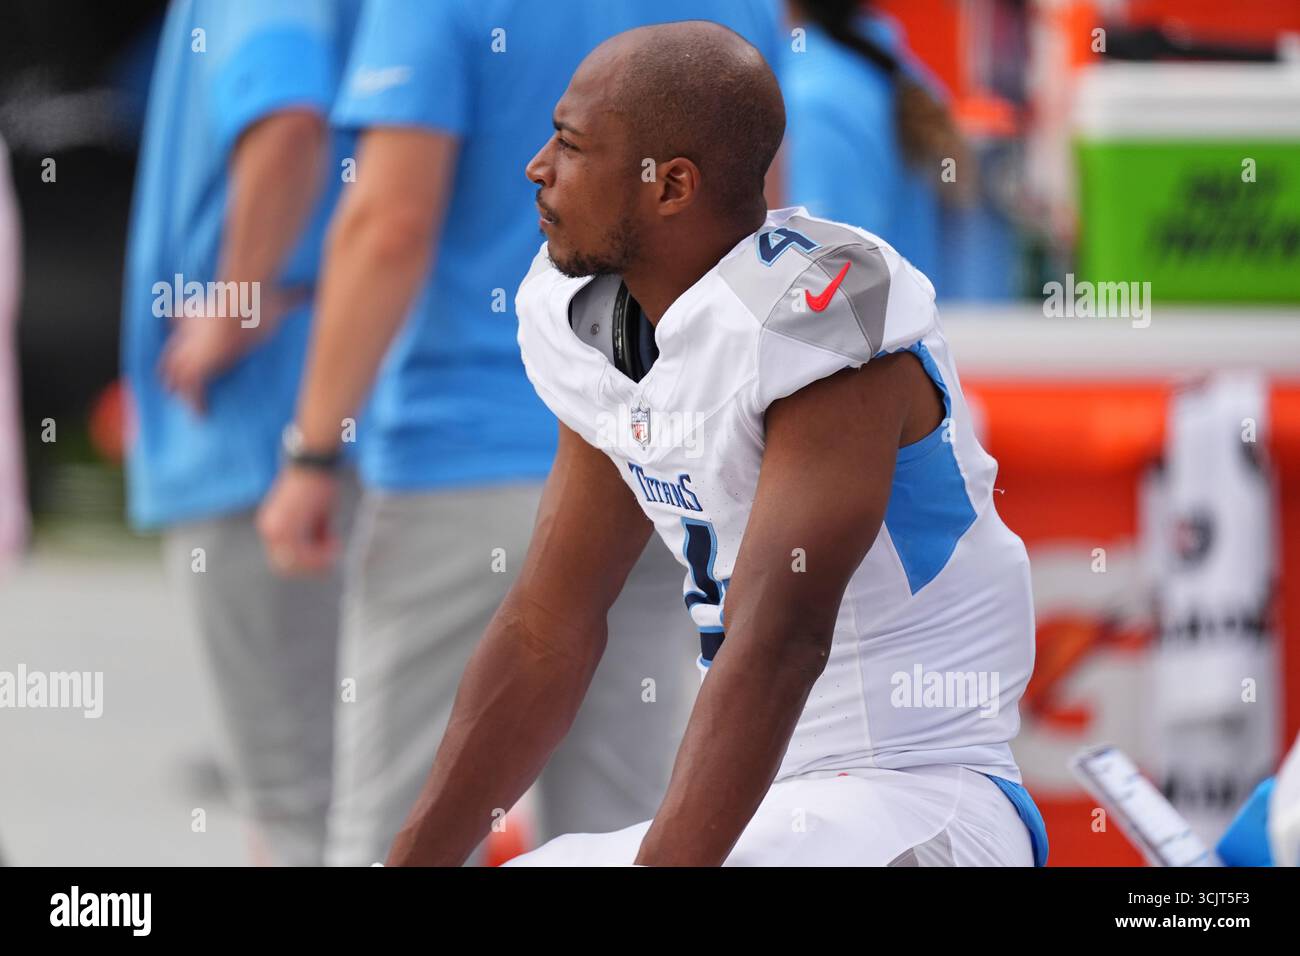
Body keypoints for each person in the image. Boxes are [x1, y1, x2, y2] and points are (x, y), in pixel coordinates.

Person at [385, 20, 1047, 867]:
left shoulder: (819, 315)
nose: (538, 168)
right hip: (772, 804)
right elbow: (549, 627)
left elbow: (781, 638)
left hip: (917, 792)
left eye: (571, 144)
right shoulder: (601, 326)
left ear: (672, 187)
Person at [256, 0, 783, 866]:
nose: (542, 166)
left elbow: (391, 223)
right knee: (619, 825)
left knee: (400, 828)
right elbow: (747, 223)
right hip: (662, 457)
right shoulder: (739, 10)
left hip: (461, 464)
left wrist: (313, 448)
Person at [121, 0, 360, 865]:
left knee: (301, 801)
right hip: (312, 404)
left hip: (268, 424)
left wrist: (237, 299)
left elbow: (289, 114)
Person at [778, 0, 966, 288]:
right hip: (906, 320)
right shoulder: (879, 67)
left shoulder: (814, 102)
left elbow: (828, 274)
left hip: (867, 324)